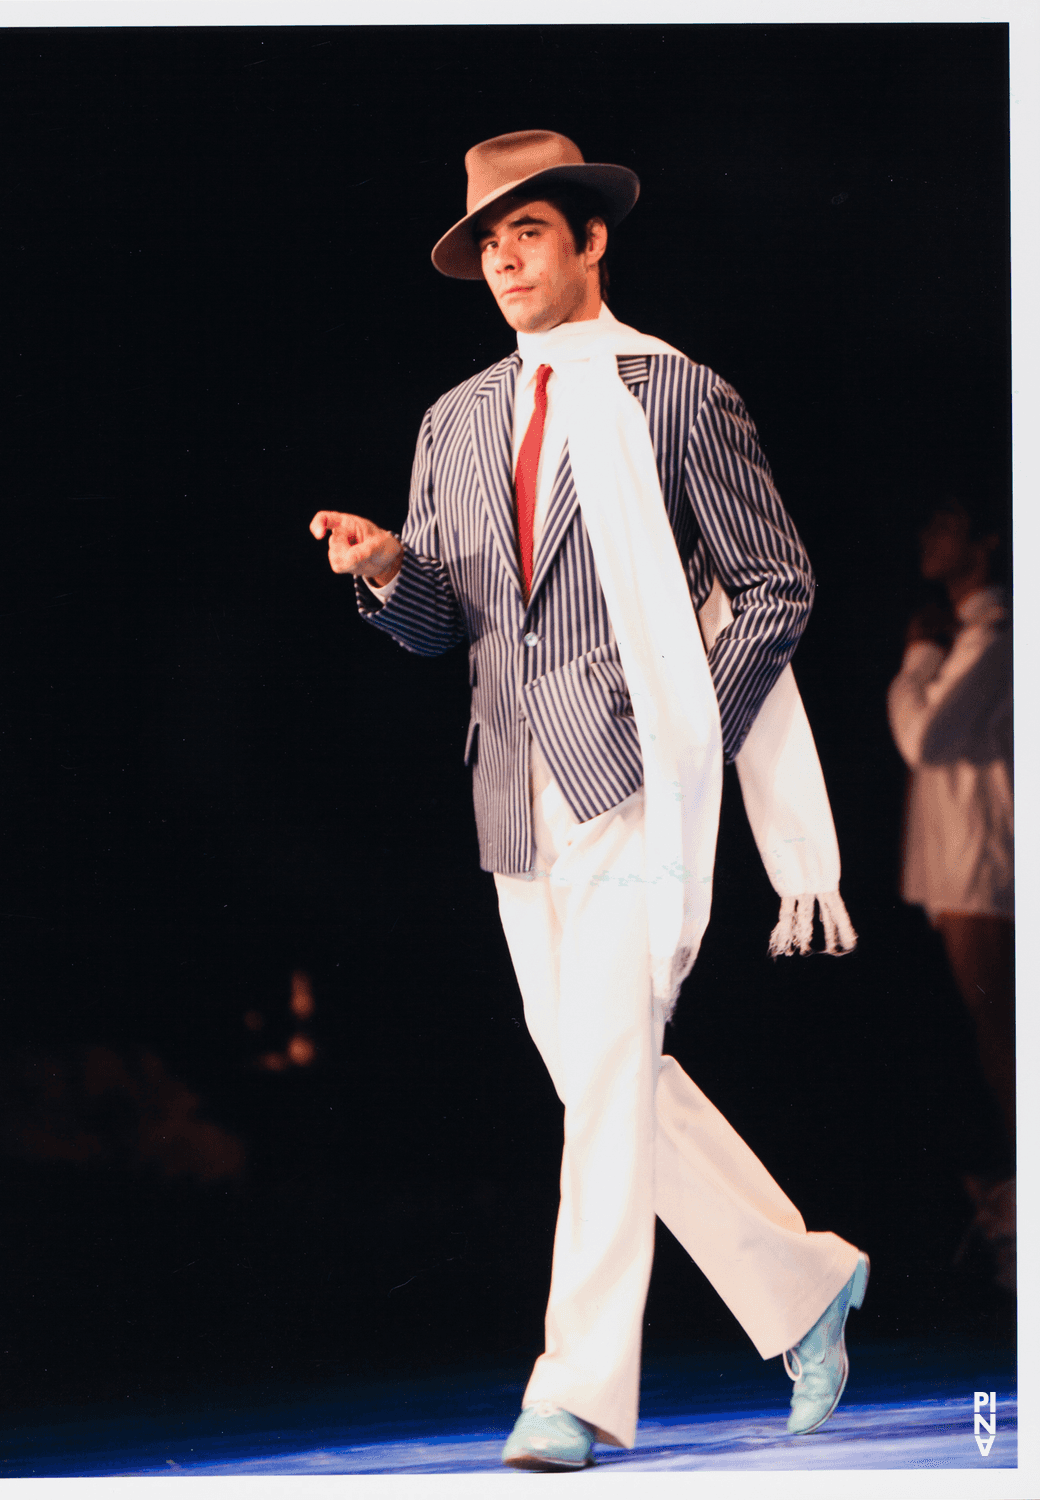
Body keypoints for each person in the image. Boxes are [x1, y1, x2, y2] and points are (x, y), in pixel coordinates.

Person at [311, 130, 868, 1471]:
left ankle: (570, 1388)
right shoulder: (454, 419)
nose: (506, 258)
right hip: (513, 790)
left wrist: (685, 726)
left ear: (588, 241)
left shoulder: (676, 391)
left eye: (531, 233)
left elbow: (777, 585)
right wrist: (389, 572)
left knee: (609, 1067)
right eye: (488, 242)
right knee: (596, 1074)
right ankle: (803, 1283)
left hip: (637, 780)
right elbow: (447, 621)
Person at [887, 497, 1014, 1288]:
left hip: (983, 867)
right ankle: (1001, 1206)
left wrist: (917, 660)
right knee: (980, 1041)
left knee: (998, 1040)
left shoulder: (994, 631)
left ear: (986, 542)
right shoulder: (971, 634)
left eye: (947, 524)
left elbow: (923, 737)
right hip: (958, 868)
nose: (929, 535)